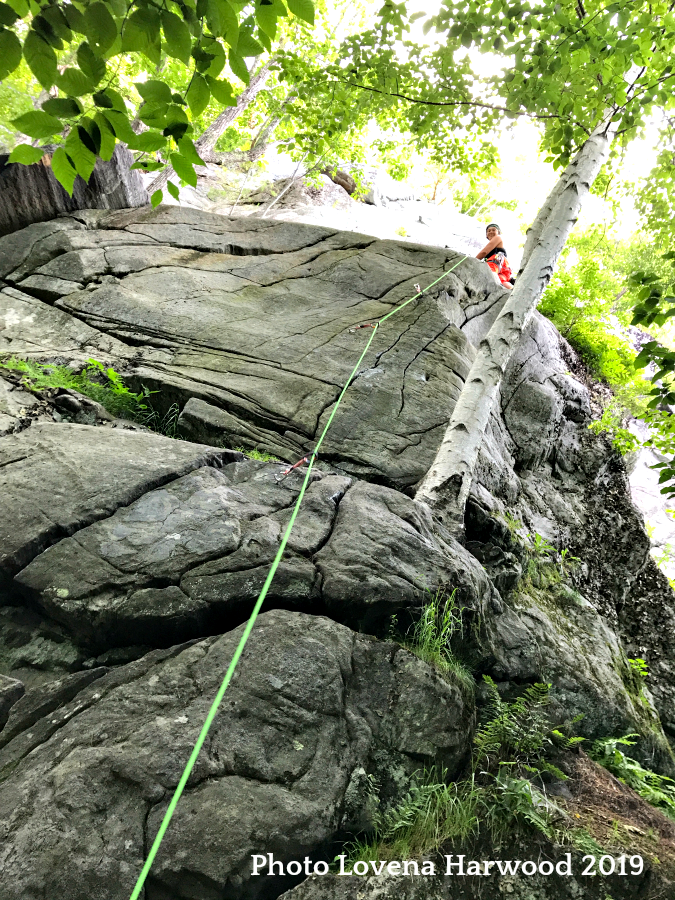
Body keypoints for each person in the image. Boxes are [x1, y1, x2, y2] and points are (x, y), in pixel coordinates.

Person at [476, 223, 515, 289]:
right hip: (503, 267)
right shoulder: (497, 242)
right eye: (489, 231)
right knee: (500, 280)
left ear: (498, 232)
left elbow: (484, 252)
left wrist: (473, 261)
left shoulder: (498, 237)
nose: (491, 232)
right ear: (486, 235)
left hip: (495, 262)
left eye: (493, 230)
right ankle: (512, 291)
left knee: (489, 275)